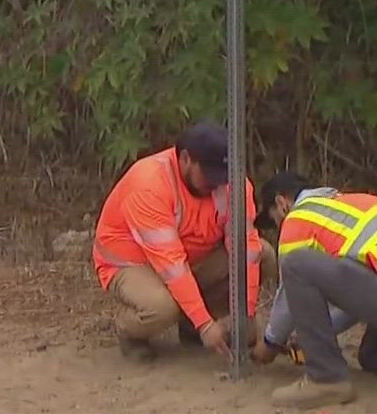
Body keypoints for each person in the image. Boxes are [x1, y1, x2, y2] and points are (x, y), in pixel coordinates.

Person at [248, 171, 377, 407]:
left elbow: (287, 296)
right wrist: (317, 336)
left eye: (274, 220)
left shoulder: (299, 219)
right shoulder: (350, 206)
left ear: (282, 203)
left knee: (295, 264)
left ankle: (325, 379)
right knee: (373, 356)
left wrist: (269, 345)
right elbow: (357, 296)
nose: (278, 229)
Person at [91, 121, 274, 361]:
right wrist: (206, 325)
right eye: (209, 175)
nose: (217, 184)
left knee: (264, 254)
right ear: (186, 159)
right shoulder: (149, 184)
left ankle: (190, 327)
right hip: (135, 263)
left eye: (222, 176)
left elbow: (246, 249)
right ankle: (130, 332)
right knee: (161, 308)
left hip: (189, 259)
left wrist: (246, 313)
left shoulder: (232, 183)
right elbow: (172, 266)